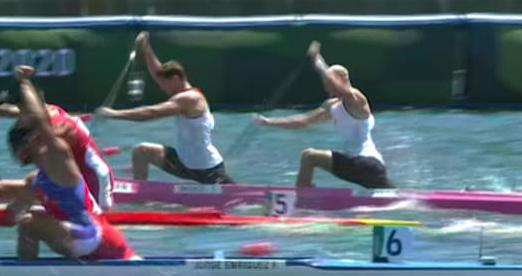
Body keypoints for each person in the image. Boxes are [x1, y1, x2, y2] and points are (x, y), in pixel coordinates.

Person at [0, 66, 136, 261]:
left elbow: (39, 120)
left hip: (93, 179)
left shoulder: (54, 138)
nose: (14, 153)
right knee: (35, 215)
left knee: (32, 222)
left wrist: (24, 81)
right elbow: (4, 198)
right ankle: (38, 270)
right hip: (88, 223)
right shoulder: (36, 173)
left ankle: (29, 272)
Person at [95, 31, 234, 185]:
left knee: (239, 200)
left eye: (164, 84)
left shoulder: (190, 99)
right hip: (182, 162)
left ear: (175, 79)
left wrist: (114, 114)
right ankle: (140, 194)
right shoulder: (180, 90)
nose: (162, 88)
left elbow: (150, 113)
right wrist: (146, 49)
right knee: (142, 151)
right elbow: (158, 73)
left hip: (207, 169)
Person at [253, 41, 393, 189]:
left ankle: (301, 202)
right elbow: (303, 121)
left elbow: (342, 90)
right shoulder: (332, 106)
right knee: (395, 198)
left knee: (309, 156)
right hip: (360, 167)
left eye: (328, 82)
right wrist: (268, 122)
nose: (325, 87)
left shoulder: (357, 99)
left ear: (341, 81)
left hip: (369, 164)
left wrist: (318, 61)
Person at [0, 91, 115, 210]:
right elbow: (6, 110)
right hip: (71, 179)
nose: (19, 115)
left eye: (22, 111)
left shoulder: (56, 124)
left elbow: (34, 148)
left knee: (101, 224)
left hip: (94, 177)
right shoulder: (42, 111)